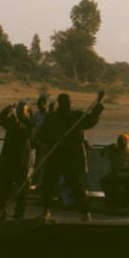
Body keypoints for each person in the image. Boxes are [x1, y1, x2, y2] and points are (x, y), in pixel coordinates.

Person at [36, 93, 104, 221]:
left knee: (77, 186)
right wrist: (55, 139)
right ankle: (46, 210)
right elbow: (41, 135)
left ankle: (85, 213)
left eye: (69, 102)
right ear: (60, 103)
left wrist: (98, 104)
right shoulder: (51, 118)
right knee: (48, 185)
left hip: (72, 157)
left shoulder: (76, 116)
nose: (69, 104)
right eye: (66, 102)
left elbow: (90, 121)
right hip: (55, 155)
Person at [0, 102, 35, 220]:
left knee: (21, 191)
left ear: (27, 113)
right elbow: (0, 119)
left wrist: (16, 121)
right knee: (3, 190)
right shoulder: (11, 123)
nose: (19, 114)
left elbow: (27, 134)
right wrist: (8, 108)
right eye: (18, 111)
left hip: (23, 163)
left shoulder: (31, 124)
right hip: (9, 161)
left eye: (22, 111)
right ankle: (0, 214)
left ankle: (19, 215)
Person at [100, 133, 129, 210]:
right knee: (103, 181)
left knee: (115, 184)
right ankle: (111, 201)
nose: (119, 142)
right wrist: (106, 149)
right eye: (118, 140)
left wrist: (119, 174)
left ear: (126, 142)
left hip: (127, 175)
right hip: (116, 173)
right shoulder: (116, 147)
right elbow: (106, 150)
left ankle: (120, 204)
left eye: (121, 141)